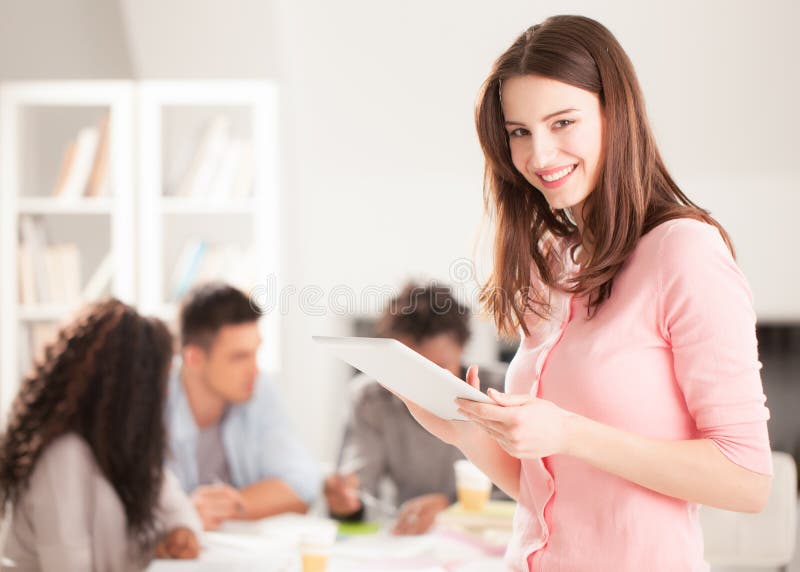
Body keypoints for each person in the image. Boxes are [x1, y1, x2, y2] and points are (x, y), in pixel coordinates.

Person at [395, 15, 773, 571]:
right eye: (520, 132)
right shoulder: (551, 260)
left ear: (615, 113)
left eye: (563, 122)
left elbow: (748, 480)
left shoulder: (684, 252)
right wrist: (466, 433)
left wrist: (570, 433)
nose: (540, 155)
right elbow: (554, 495)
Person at [0, 299, 201, 571]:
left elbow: (178, 509)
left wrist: (180, 532)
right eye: (159, 383)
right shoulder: (62, 457)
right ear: (131, 390)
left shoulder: (122, 448)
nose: (165, 394)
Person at [324, 282, 506, 534]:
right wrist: (346, 503)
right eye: (411, 369)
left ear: (462, 347)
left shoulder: (501, 391)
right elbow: (359, 494)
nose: (424, 386)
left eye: (439, 369)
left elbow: (530, 494)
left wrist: (453, 509)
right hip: (407, 539)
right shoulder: (370, 399)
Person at [166, 282, 321, 530]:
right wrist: (184, 515)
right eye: (239, 357)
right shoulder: (153, 402)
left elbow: (302, 484)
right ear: (193, 358)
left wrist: (229, 505)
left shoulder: (258, 390)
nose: (254, 370)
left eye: (255, 353)